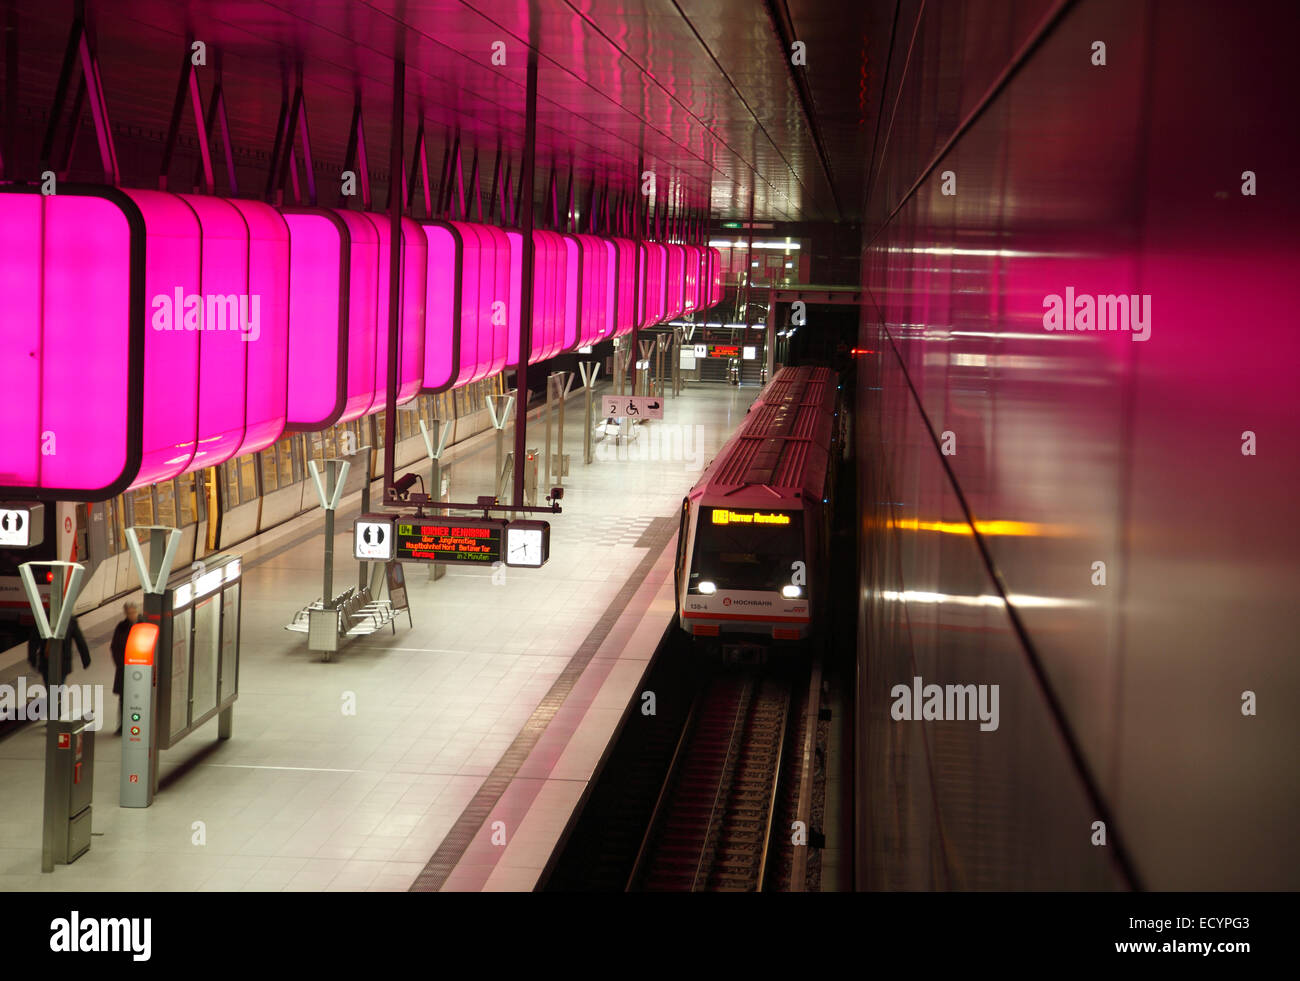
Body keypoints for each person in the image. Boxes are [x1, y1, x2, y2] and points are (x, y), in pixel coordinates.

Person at [110, 602, 139, 734]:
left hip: (140, 668)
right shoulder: (121, 627)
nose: (131, 615)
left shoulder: (144, 625)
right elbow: (115, 647)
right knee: (124, 699)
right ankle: (123, 726)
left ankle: (136, 724)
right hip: (125, 669)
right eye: (129, 613)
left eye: (133, 612)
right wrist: (121, 664)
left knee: (138, 697)